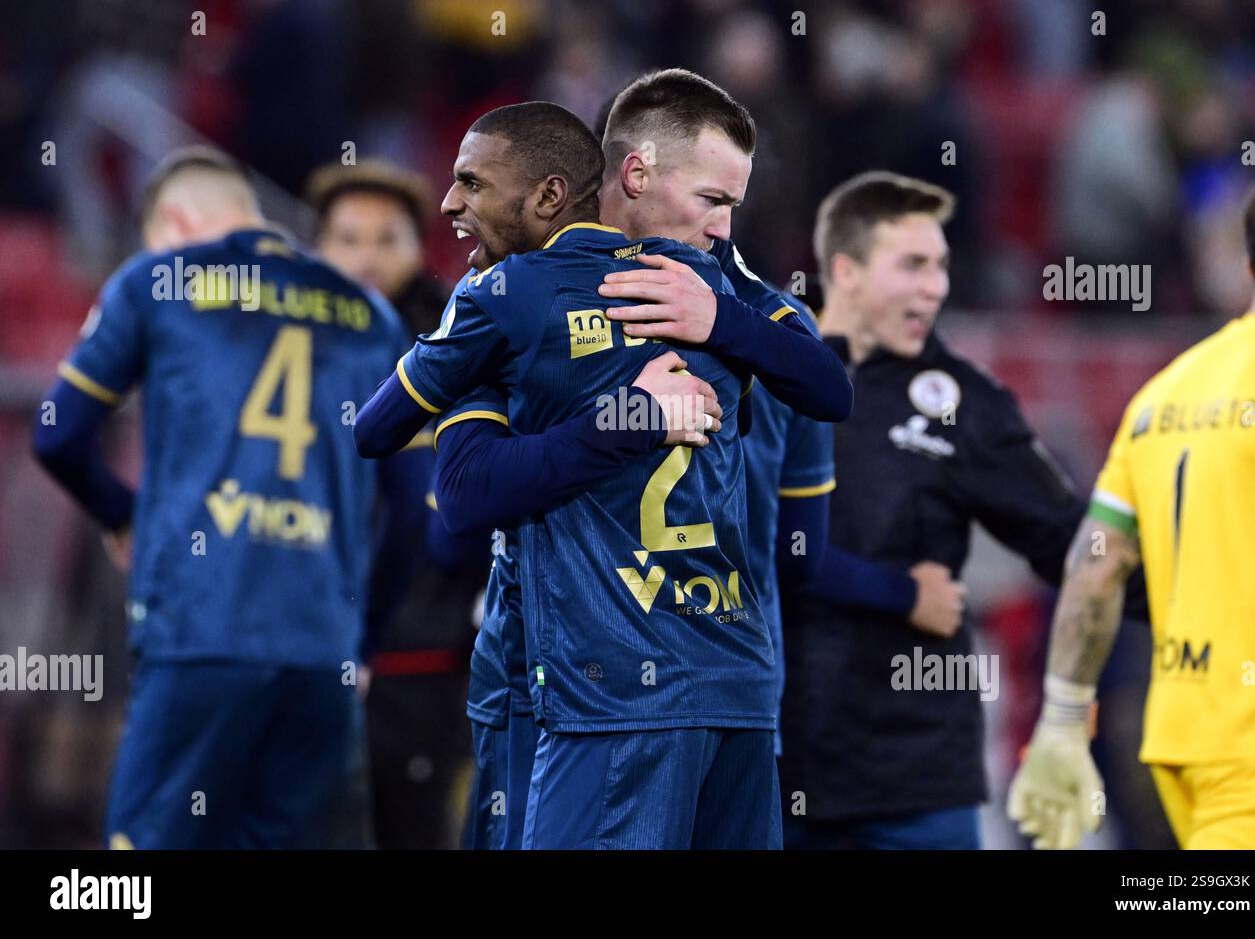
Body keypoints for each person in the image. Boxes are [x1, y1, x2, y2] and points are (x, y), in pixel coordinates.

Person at [355, 99, 851, 848]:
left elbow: (453, 497)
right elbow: (826, 391)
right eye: (711, 200)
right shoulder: (715, 291)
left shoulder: (518, 298)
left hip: (598, 685)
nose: (723, 227)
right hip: (715, 671)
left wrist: (713, 327)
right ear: (634, 174)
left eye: (731, 205)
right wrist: (641, 410)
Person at [32, 146, 419, 849]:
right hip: (319, 655)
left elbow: (57, 436)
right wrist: (358, 640)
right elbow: (417, 510)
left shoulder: (158, 281)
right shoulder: (369, 315)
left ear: (175, 223)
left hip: (200, 634)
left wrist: (125, 517)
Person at [781, 170, 1127, 850]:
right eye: (912, 265)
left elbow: (1065, 537)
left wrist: (1175, 585)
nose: (935, 287)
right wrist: (901, 592)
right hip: (781, 755)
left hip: (920, 774)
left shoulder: (965, 403)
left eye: (940, 266)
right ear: (845, 271)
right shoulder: (770, 381)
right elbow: (758, 545)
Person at [1009, 165, 1255, 850]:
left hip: (1184, 743)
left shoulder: (1161, 397)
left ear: (1252, 263)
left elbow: (1095, 567)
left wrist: (1061, 722)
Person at [307, 158, 476, 849]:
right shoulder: (286, 351)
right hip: (308, 645)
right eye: (348, 238)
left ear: (418, 246)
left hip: (426, 654)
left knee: (415, 827)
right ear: (317, 248)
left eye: (386, 238)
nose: (366, 257)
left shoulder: (462, 346)